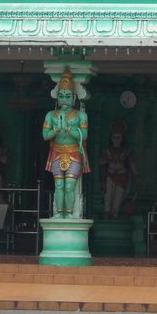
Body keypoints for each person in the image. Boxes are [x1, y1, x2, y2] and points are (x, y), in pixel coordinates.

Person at [42, 68, 89, 218]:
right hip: (57, 151)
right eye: (61, 96)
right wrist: (56, 130)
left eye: (67, 96)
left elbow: (85, 135)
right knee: (59, 185)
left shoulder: (80, 115)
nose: (64, 99)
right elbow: (45, 136)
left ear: (73, 98)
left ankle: (68, 214)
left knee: (69, 185)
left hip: (73, 151)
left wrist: (68, 128)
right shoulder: (51, 115)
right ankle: (59, 213)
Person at [99, 118, 134, 218]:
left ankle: (115, 213)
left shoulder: (126, 151)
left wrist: (137, 175)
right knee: (107, 194)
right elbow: (100, 162)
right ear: (111, 138)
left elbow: (131, 163)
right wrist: (106, 159)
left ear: (122, 138)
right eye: (114, 137)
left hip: (122, 175)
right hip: (110, 174)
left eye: (118, 138)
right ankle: (107, 212)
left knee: (119, 195)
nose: (116, 140)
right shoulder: (107, 150)